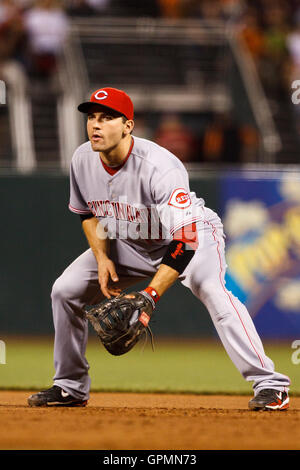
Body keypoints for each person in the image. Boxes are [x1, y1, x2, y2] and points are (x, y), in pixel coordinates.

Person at [28, 87, 290, 411]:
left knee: (213, 289)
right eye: (92, 117)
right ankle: (69, 386)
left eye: (107, 117)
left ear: (128, 126)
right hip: (130, 242)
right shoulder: (82, 159)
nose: (96, 125)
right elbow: (87, 214)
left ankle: (271, 385)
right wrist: (102, 257)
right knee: (65, 291)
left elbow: (186, 240)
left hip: (190, 238)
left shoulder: (159, 166)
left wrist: (150, 297)